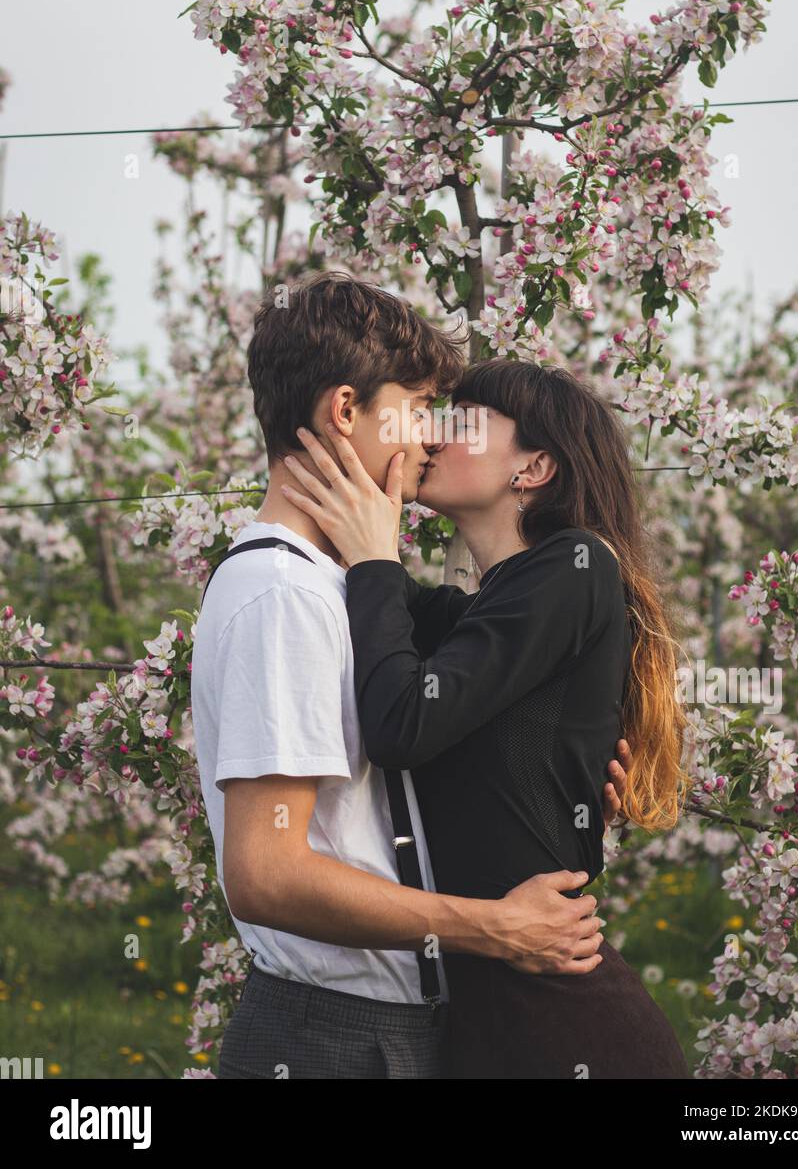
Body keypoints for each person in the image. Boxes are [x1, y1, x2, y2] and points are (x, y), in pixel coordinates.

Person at [192, 274, 634, 1081]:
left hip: (410, 1024)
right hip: (332, 1036)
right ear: (346, 412)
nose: (433, 435)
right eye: (421, 406)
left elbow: (452, 706)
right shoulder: (286, 596)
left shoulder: (343, 590)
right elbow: (267, 873)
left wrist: (554, 764)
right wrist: (491, 927)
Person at [279, 355, 692, 1079]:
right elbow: (396, 626)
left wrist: (375, 557)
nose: (433, 433)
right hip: (484, 1022)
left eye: (464, 421)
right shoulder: (475, 615)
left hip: (565, 1027)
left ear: (532, 468)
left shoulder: (577, 565)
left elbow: (401, 726)